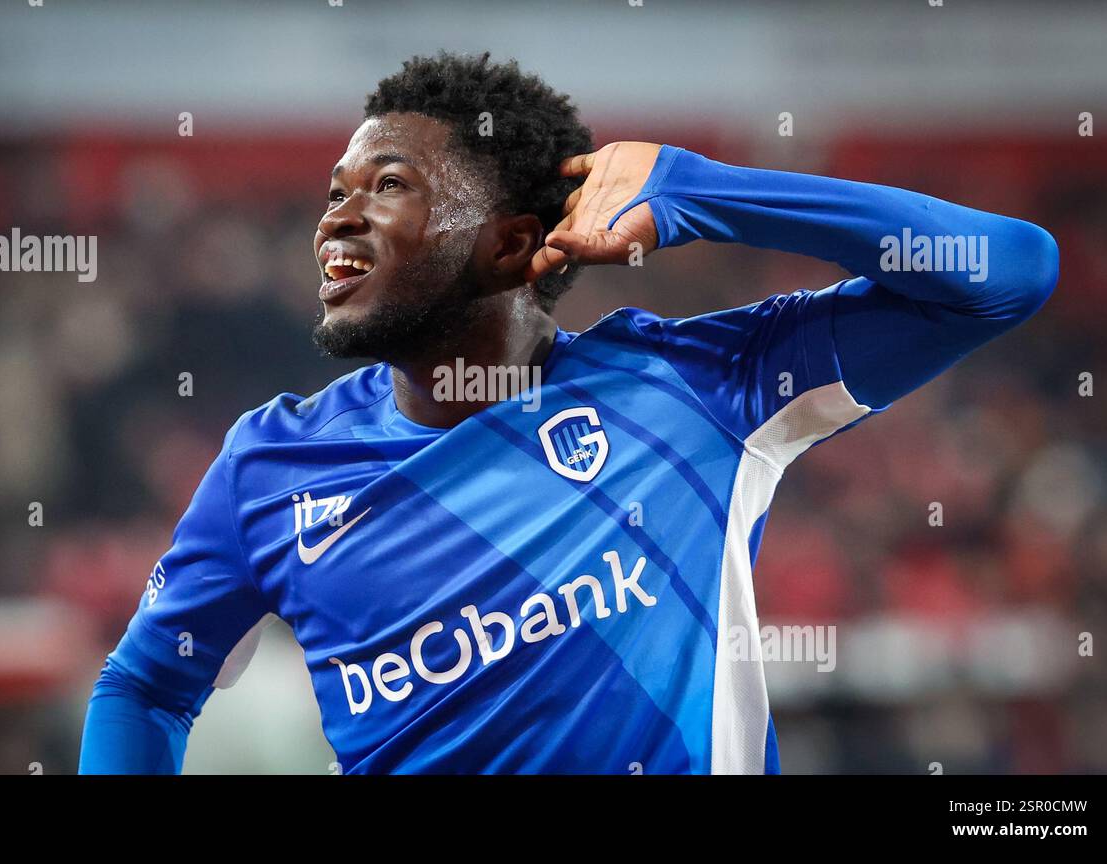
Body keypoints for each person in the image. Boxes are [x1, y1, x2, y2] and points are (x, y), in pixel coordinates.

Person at [79, 51, 1057, 774]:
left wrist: (705, 191)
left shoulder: (689, 390)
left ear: (511, 247)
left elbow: (1004, 275)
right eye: (334, 192)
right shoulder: (267, 466)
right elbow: (147, 684)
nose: (335, 216)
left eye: (386, 187)